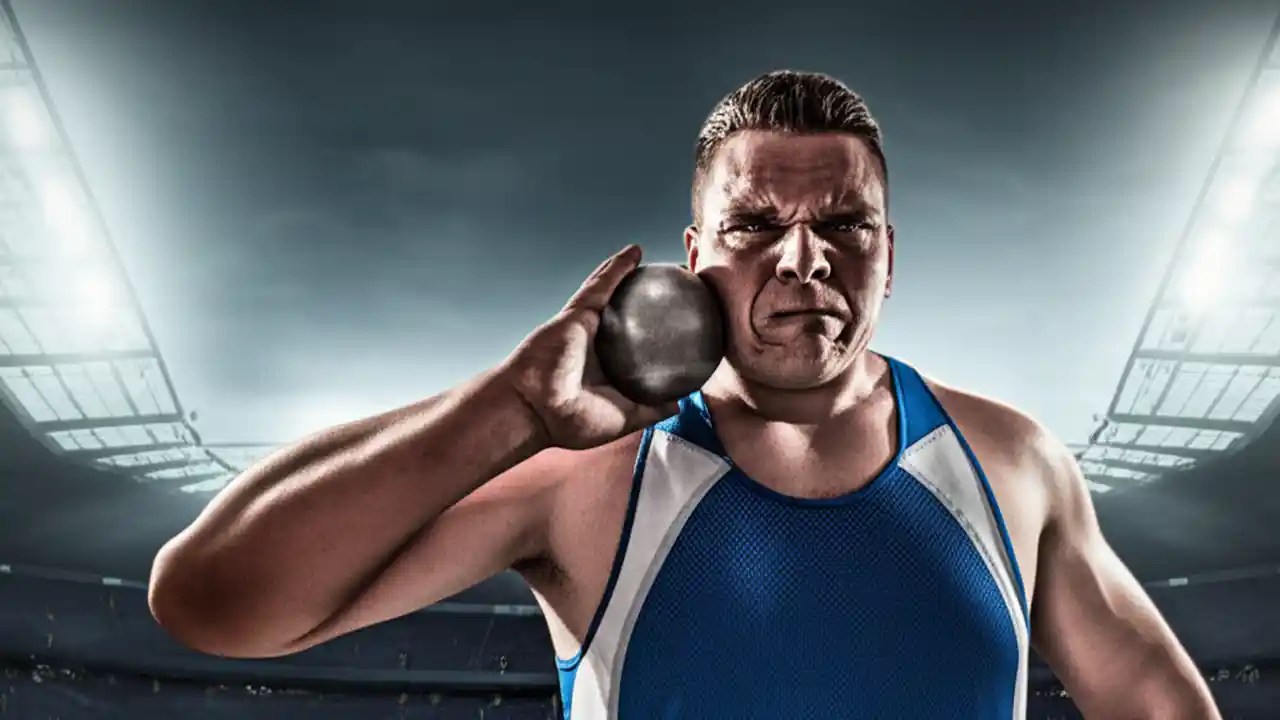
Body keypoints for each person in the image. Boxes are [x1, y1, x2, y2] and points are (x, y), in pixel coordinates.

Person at [148, 70, 1220, 718]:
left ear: (887, 256)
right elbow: (212, 599)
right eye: (756, 226)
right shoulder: (580, 469)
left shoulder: (1012, 463)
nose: (804, 258)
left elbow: (1158, 704)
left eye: (843, 223)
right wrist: (507, 411)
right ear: (694, 259)